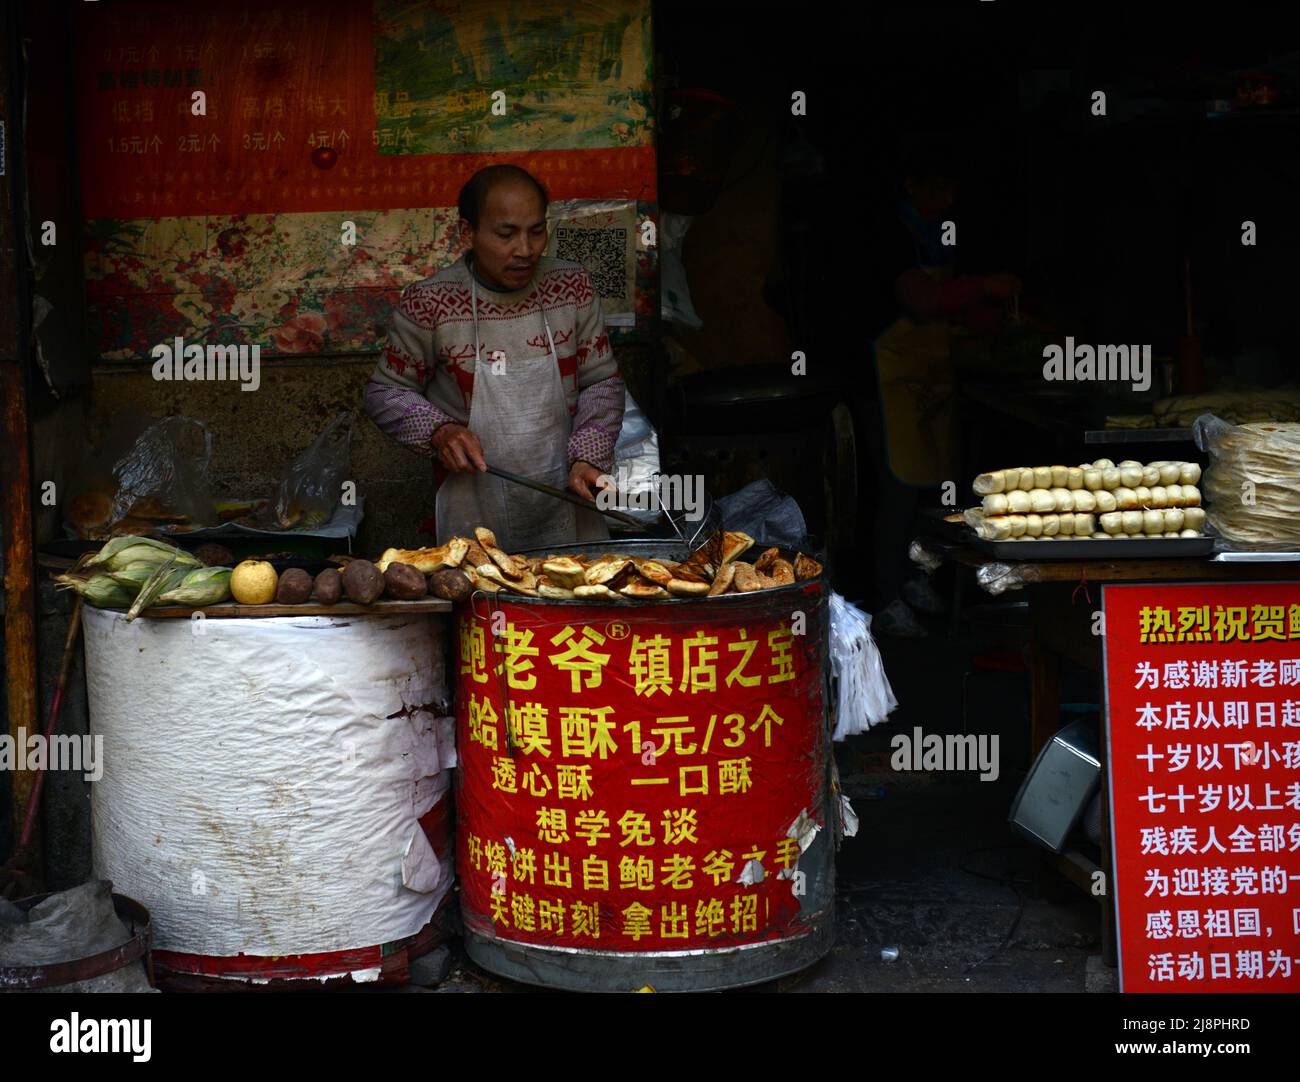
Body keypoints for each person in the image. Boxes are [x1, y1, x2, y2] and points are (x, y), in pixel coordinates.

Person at [364, 165, 625, 552]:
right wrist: (441, 432)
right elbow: (384, 393)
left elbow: (601, 382)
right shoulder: (429, 302)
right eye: (506, 234)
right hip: (472, 509)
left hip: (569, 501)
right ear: (467, 233)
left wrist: (589, 455)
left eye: (537, 231)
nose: (526, 250)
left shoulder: (573, 287)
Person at [867, 141, 1021, 636]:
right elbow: (923, 300)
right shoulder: (890, 232)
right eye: (938, 187)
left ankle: (918, 577)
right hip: (891, 377)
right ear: (911, 184)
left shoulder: (941, 233)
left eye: (953, 189)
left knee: (935, 484)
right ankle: (885, 597)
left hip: (933, 376)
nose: (947, 200)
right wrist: (984, 289)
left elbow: (955, 305)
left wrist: (992, 318)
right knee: (895, 490)